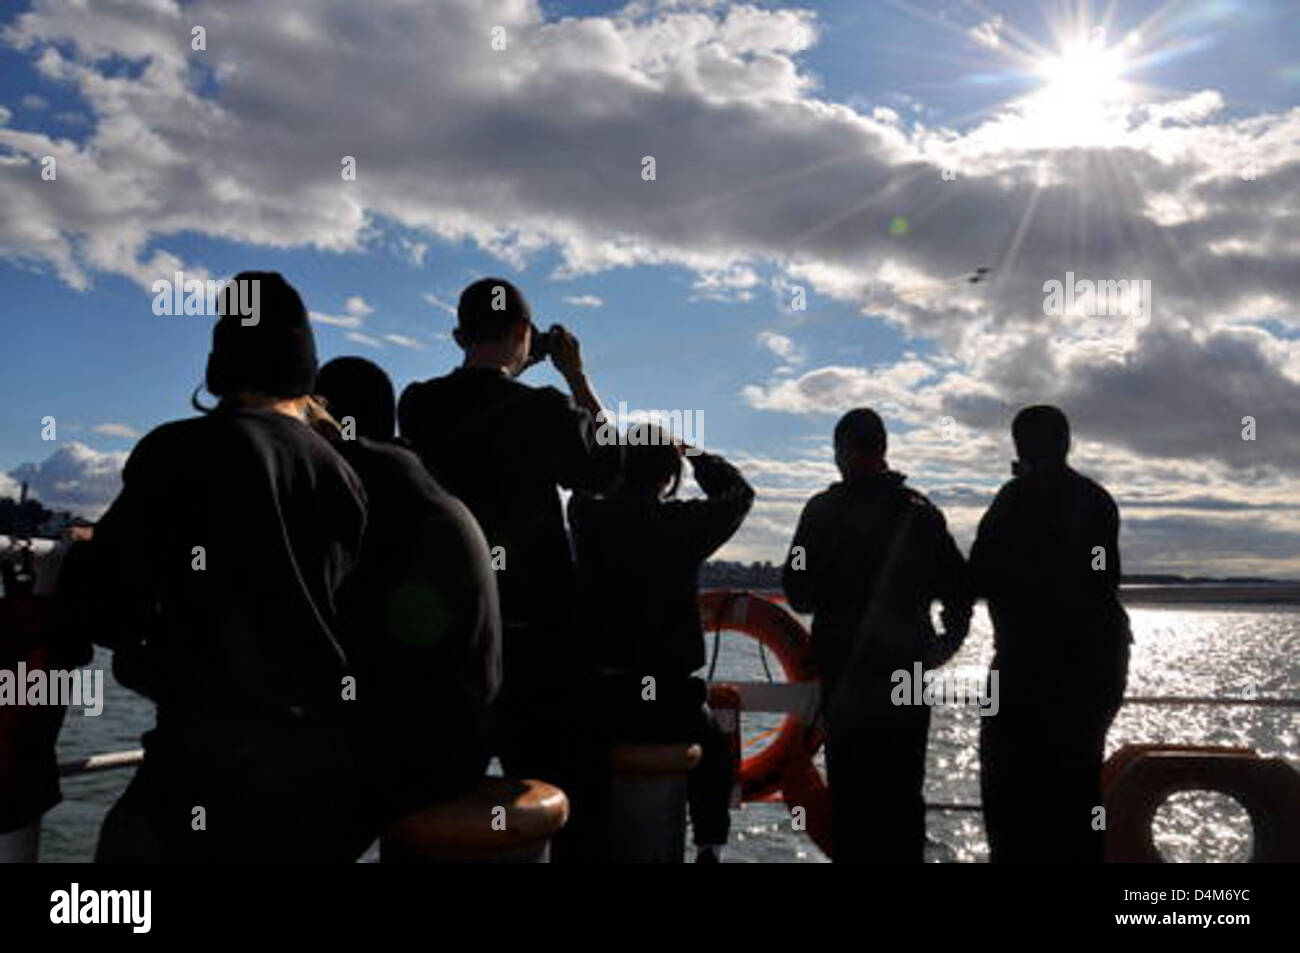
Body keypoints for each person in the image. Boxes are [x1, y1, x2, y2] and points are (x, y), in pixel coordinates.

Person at [63, 272, 369, 862]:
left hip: (198, 778)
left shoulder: (178, 451)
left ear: (221, 358)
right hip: (316, 784)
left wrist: (92, 560)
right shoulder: (341, 475)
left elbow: (102, 601)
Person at [397, 277, 621, 860]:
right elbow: (607, 470)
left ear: (456, 336)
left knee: (436, 795)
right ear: (525, 333)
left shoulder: (418, 403)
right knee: (567, 794)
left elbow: (477, 400)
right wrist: (574, 376)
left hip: (446, 641)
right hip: (538, 642)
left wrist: (515, 360)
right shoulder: (545, 409)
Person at [314, 356, 501, 841]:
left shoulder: (350, 478)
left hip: (413, 756)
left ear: (323, 412)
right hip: (456, 740)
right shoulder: (408, 474)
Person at [782, 408, 971, 862]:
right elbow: (960, 589)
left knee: (852, 798)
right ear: (883, 449)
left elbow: (798, 592)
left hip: (846, 677)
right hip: (905, 673)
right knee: (903, 794)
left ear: (842, 452)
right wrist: (946, 644)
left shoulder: (821, 511)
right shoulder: (920, 512)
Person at [568, 424, 753, 862]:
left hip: (599, 702)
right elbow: (739, 494)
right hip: (669, 702)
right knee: (713, 751)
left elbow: (589, 471)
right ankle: (709, 845)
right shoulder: (682, 524)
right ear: (669, 475)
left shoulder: (586, 515)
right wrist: (692, 452)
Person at [970, 405, 1130, 863]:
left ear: (1019, 448)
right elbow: (1105, 578)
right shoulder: (1096, 500)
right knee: (1077, 796)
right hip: (1092, 671)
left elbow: (979, 575)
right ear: (1067, 444)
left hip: (1025, 671)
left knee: (1009, 800)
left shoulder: (1013, 500)